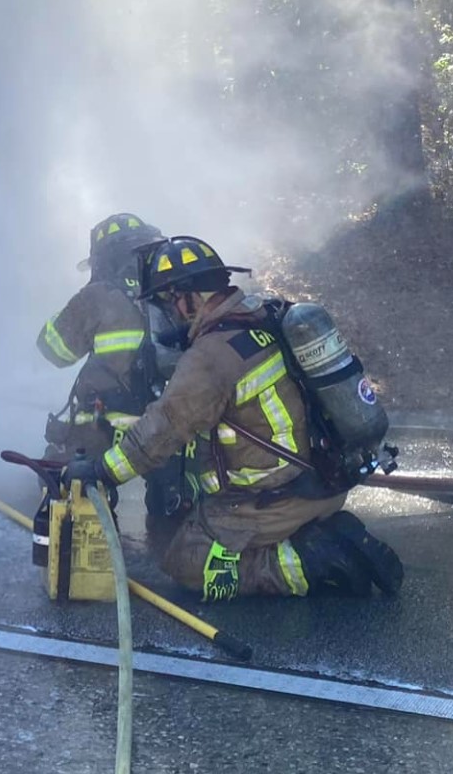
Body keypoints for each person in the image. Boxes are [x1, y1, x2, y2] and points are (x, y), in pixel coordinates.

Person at [63, 235, 403, 600]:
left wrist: (102, 472)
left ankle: (310, 561)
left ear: (190, 297)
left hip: (274, 501)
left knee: (186, 562)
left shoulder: (211, 355)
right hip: (324, 481)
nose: (168, 316)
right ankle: (322, 532)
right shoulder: (265, 316)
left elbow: (163, 430)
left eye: (168, 303)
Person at [35, 213, 169, 465]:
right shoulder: (174, 292)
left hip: (103, 440)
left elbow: (53, 350)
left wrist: (77, 306)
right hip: (166, 434)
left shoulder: (98, 297)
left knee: (56, 472)